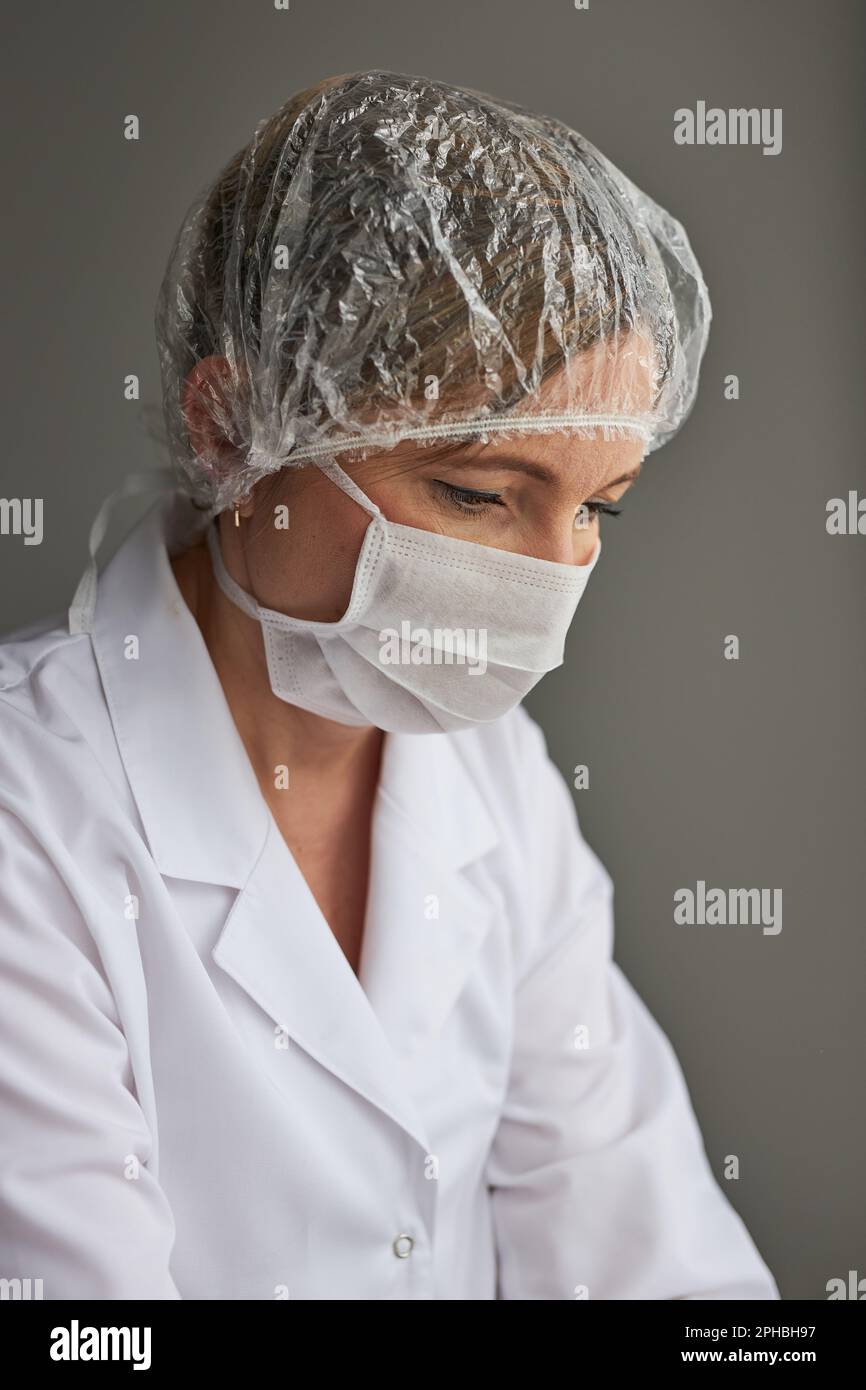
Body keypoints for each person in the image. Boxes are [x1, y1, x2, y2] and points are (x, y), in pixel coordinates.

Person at [0, 69, 780, 1299]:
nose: (547, 579)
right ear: (234, 427)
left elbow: (639, 1237)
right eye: (476, 494)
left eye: (597, 512)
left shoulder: (491, 770)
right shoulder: (29, 808)